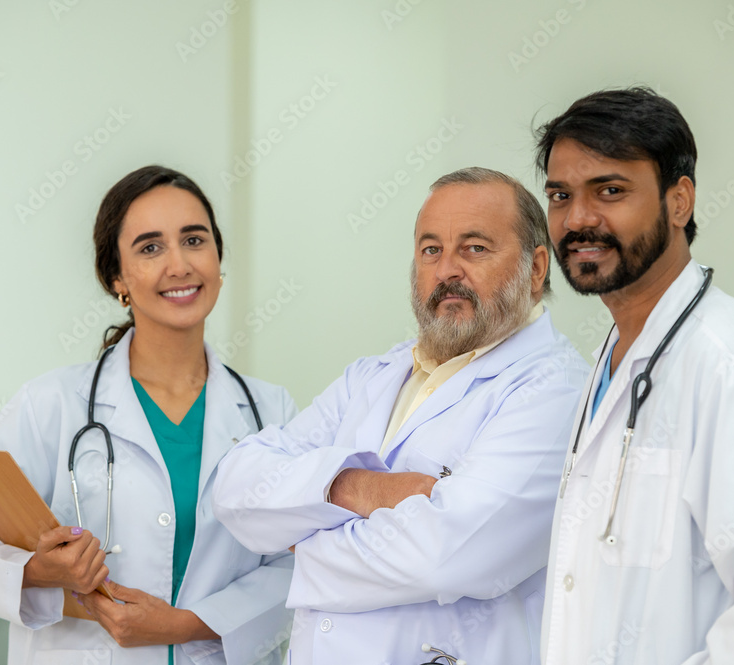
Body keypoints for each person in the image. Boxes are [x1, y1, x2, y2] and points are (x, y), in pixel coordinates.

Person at [0, 165, 297, 665]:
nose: (179, 264)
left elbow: (298, 568)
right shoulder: (52, 404)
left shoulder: (270, 412)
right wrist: (37, 571)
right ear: (116, 277)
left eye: (194, 239)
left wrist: (185, 626)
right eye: (150, 247)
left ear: (218, 260)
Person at [213, 167, 589, 664]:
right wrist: (359, 488)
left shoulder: (556, 390)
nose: (447, 269)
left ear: (536, 268)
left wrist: (302, 543)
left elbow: (445, 557)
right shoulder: (376, 375)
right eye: (431, 249)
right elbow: (237, 487)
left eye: (474, 248)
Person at [535, 87, 734, 664]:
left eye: (611, 191)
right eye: (560, 195)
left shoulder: (731, 360)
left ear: (679, 202)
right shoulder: (614, 355)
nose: (578, 219)